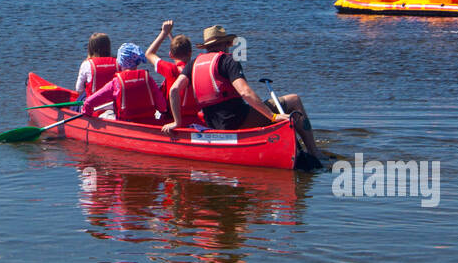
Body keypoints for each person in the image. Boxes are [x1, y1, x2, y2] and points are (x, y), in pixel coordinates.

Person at [170, 25, 324, 168]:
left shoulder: (193, 64)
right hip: (237, 121)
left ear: (206, 47)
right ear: (225, 44)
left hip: (214, 125)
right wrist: (272, 116)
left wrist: (177, 122)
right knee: (294, 100)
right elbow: (245, 92)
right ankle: (314, 152)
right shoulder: (227, 61)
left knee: (263, 108)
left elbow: (174, 90)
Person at [81, 42, 168, 122]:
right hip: (149, 122)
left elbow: (89, 103)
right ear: (137, 62)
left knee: (107, 114)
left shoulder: (116, 83)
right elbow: (162, 107)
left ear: (121, 62)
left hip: (126, 124)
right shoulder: (148, 79)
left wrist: (87, 115)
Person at [144, 20, 203, 128]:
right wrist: (171, 35)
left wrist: (164, 33)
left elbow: (149, 53)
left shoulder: (170, 69)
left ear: (170, 55)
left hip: (173, 118)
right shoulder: (197, 67)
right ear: (190, 53)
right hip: (194, 117)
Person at [74, 32, 115, 101]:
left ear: (90, 48)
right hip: (113, 104)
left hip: (94, 106)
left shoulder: (87, 64)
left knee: (80, 99)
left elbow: (79, 89)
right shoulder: (118, 62)